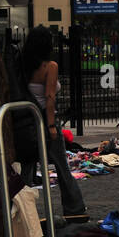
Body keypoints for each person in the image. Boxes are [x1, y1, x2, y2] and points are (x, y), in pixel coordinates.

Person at [22, 26, 88, 222]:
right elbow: (50, 96)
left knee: (26, 167)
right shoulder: (49, 66)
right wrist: (51, 126)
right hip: (44, 119)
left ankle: (21, 207)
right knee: (61, 166)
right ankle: (75, 208)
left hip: (26, 121)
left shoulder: (23, 65)